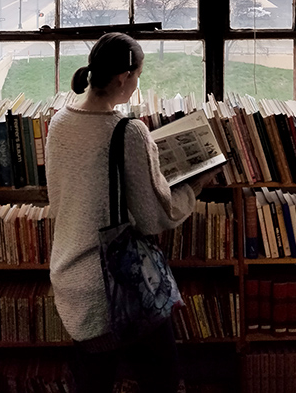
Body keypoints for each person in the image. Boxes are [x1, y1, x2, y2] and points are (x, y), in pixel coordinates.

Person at [46, 32, 212, 393]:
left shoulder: (59, 123)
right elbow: (157, 217)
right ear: (123, 77)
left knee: (93, 383)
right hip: (115, 286)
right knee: (162, 379)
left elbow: (58, 199)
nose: (138, 83)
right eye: (138, 75)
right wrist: (192, 189)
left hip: (71, 281)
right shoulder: (127, 132)